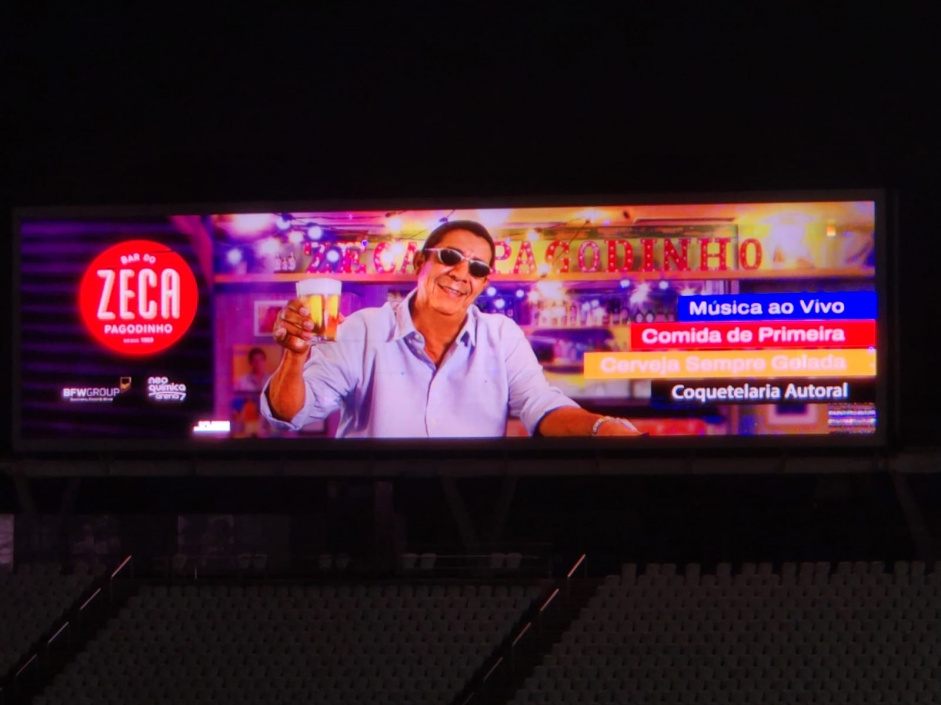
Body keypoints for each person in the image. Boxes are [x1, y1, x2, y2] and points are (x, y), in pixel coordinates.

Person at [261, 220, 644, 438]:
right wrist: (295, 356)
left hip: (471, 509)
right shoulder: (362, 330)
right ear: (419, 263)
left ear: (482, 284)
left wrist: (602, 429)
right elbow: (292, 413)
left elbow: (540, 407)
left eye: (477, 268)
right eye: (450, 258)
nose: (461, 274)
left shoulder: (501, 335)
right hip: (372, 508)